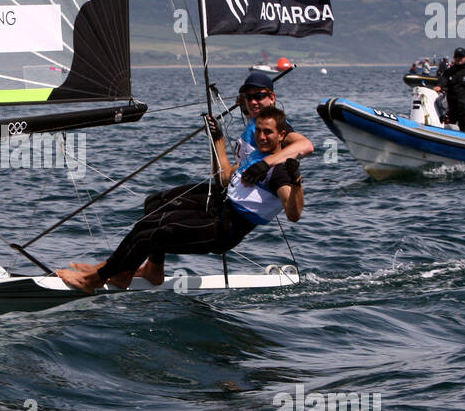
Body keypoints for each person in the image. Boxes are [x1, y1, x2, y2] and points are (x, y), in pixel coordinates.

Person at [57, 107, 304, 293]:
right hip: (219, 209)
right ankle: (130, 271)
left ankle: (95, 280)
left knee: (148, 235)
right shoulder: (259, 156)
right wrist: (217, 138)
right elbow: (225, 177)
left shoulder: (279, 171)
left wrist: (296, 182)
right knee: (152, 214)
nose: (261, 136)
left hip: (226, 229)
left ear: (282, 135)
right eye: (259, 130)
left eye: (267, 132)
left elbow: (293, 214)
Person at [141, 70, 314, 218]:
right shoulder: (253, 122)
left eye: (259, 96)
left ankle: (154, 258)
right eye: (248, 97)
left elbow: (306, 145)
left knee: (160, 209)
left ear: (272, 98)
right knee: (152, 202)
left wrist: (264, 164)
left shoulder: (274, 130)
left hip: (238, 204)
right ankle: (154, 258)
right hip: (229, 188)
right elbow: (223, 178)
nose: (253, 101)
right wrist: (217, 137)